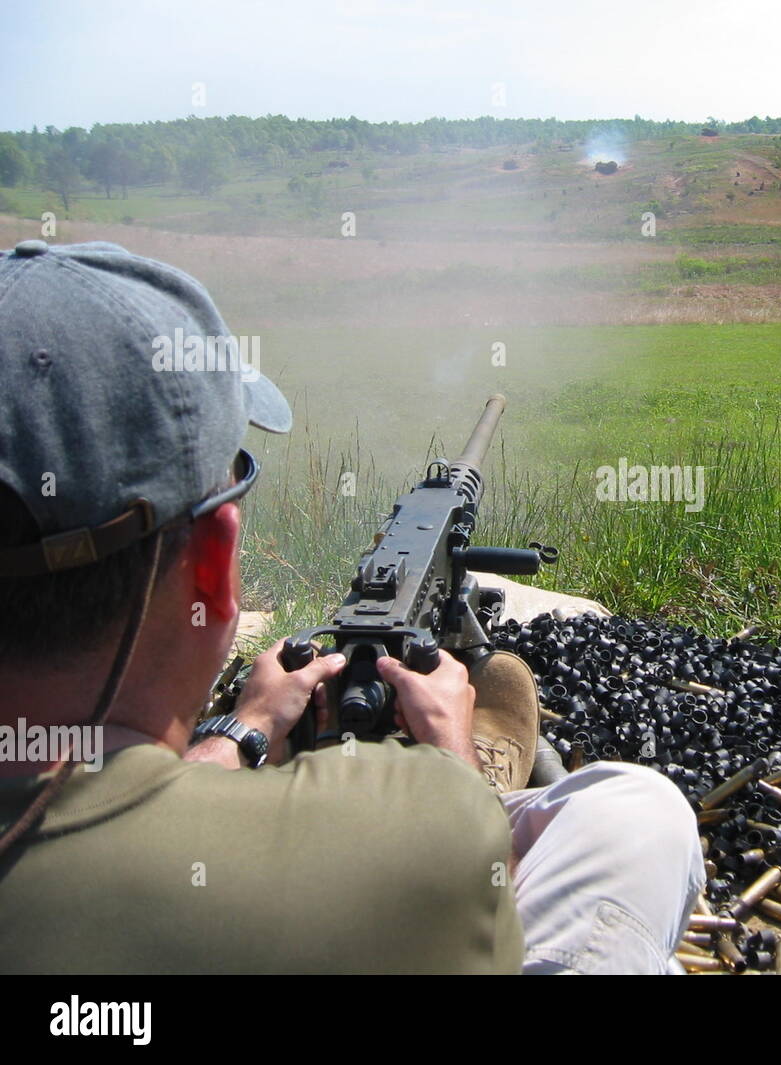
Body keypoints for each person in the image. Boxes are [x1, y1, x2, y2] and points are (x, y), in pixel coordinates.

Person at [0, 239, 703, 974]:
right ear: (212, 565)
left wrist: (240, 733)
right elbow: (461, 872)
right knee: (640, 813)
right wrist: (451, 767)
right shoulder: (404, 835)